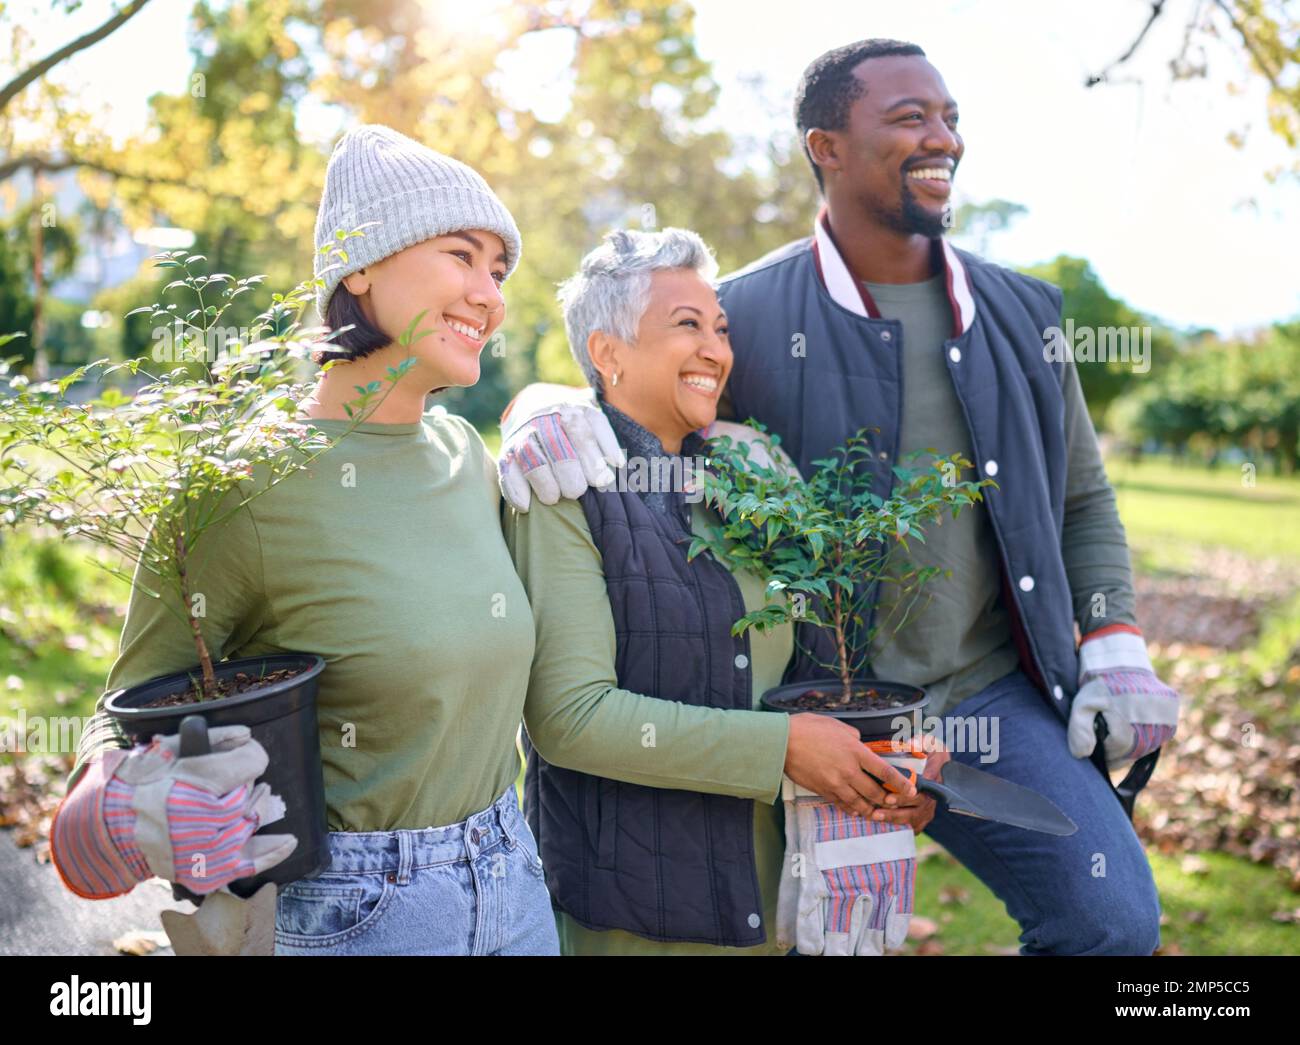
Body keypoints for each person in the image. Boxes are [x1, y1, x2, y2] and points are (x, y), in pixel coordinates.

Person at [496, 40, 1177, 956]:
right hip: (805, 707)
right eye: (909, 118)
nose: (944, 139)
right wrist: (540, 405)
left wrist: (1116, 642)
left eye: (951, 118)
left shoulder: (1030, 314)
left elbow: (1083, 501)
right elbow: (644, 409)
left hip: (990, 697)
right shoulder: (748, 315)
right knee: (835, 941)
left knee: (1112, 920)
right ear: (827, 146)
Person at [48, 124, 559, 956]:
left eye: (498, 271)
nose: (490, 295)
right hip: (357, 912)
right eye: (462, 256)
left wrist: (551, 405)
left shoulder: (468, 459)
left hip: (515, 878)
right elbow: (126, 713)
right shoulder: (243, 485)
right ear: (359, 265)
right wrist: (113, 808)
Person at [503, 226, 935, 956]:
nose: (716, 350)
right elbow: (570, 718)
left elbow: (817, 679)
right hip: (630, 913)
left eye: (721, 328)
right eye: (686, 325)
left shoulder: (757, 472)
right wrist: (784, 747)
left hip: (781, 900)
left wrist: (886, 766)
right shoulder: (562, 483)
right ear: (607, 352)